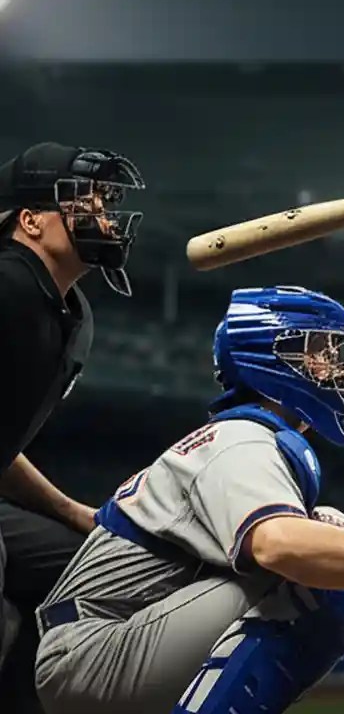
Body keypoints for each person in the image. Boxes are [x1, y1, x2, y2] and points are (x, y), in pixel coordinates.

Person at [31, 285, 344, 714]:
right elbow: (279, 546)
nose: (334, 366)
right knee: (327, 561)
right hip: (91, 652)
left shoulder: (240, 438)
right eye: (317, 351)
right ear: (270, 360)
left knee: (336, 541)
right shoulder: (242, 440)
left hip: (110, 640)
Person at [0, 142, 146, 713]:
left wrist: (69, 511)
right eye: (83, 200)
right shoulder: (8, 285)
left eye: (106, 201)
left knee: (85, 566)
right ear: (30, 221)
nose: (103, 213)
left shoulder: (69, 311)